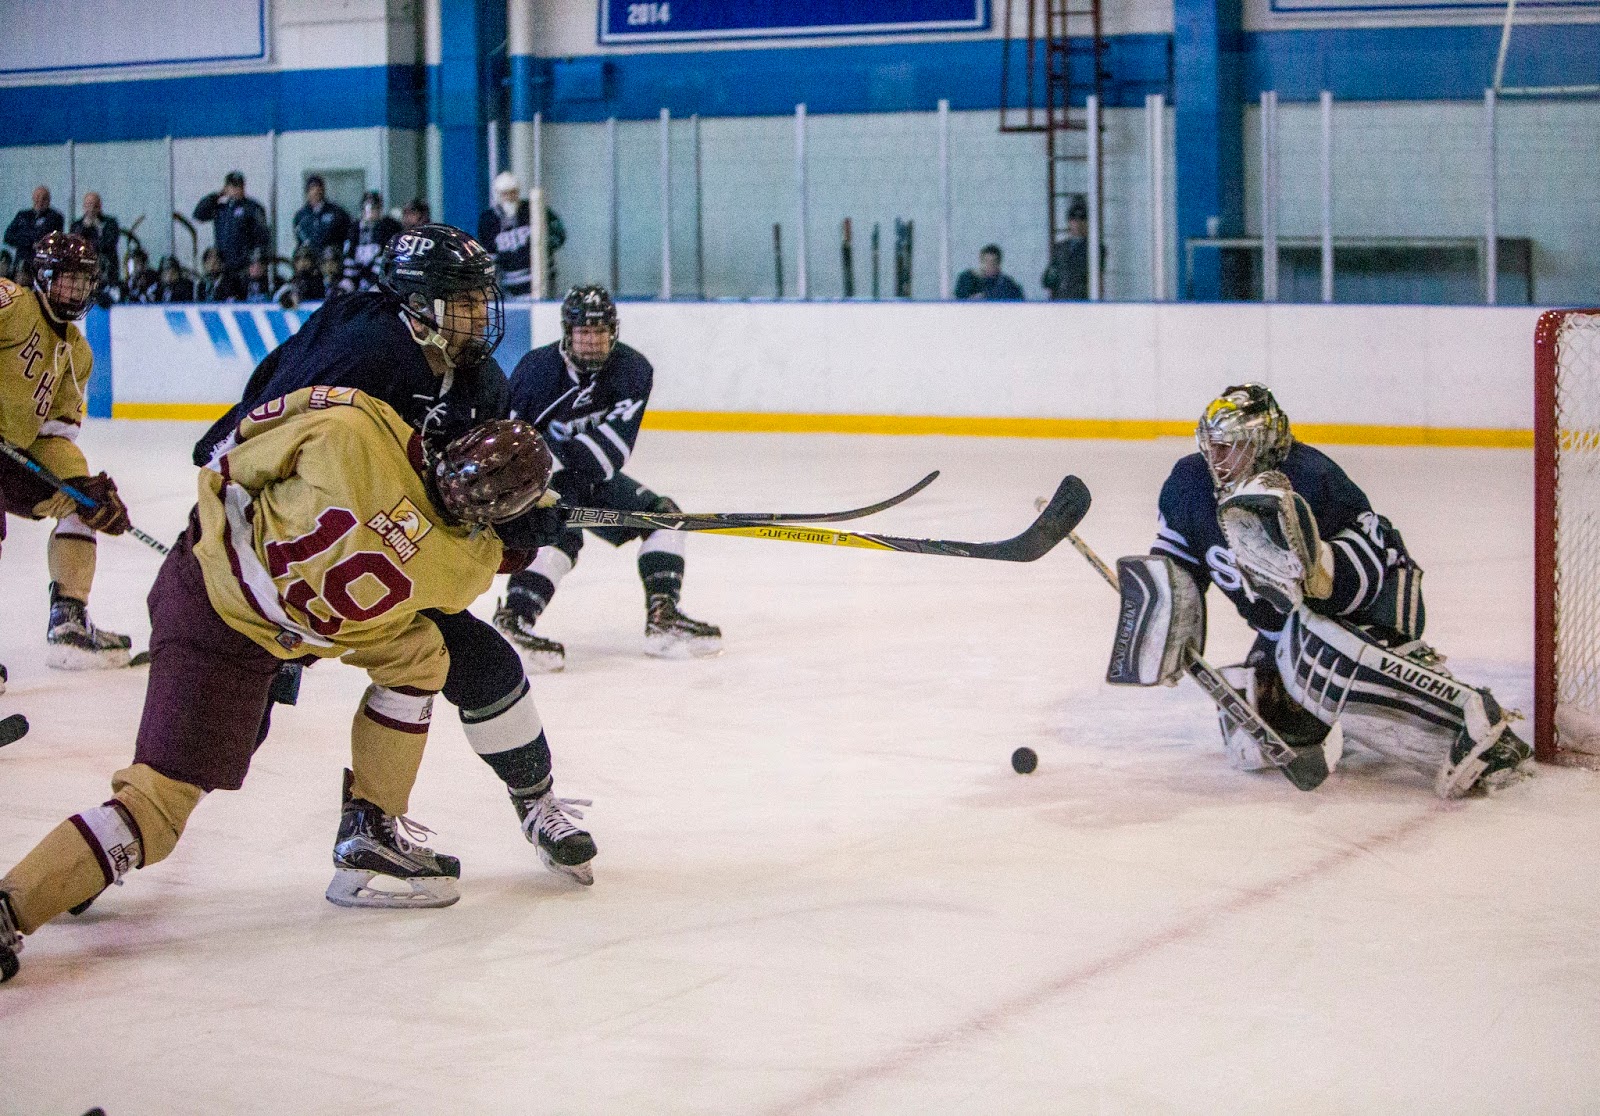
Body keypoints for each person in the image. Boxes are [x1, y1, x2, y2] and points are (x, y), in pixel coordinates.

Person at [0, 388, 563, 983]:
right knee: (156, 811)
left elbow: (230, 457)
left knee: (420, 655)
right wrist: (517, 540)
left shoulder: (352, 427)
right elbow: (468, 553)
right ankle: (19, 901)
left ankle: (371, 825)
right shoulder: (463, 566)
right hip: (220, 631)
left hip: (218, 585)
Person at [191, 224, 596, 895]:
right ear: (419, 303)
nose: (480, 314)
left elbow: (476, 497)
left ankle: (534, 806)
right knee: (221, 735)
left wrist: (521, 517)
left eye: (481, 298)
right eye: (463, 301)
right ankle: (127, 830)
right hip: (289, 559)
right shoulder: (362, 349)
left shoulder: (480, 382)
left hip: (385, 565)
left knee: (487, 664)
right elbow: (245, 442)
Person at [1123, 383, 1530, 796]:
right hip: (1286, 631)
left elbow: (1370, 565)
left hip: (1377, 604)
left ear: (1262, 445)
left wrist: (1318, 570)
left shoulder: (1312, 478)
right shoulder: (1189, 483)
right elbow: (1179, 567)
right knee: (1260, 721)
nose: (1217, 458)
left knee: (1316, 660)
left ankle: (1474, 725)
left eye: (1230, 447)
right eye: (1211, 446)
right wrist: (1165, 612)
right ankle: (1352, 701)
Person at [494, 285, 722, 672]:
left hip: (590, 478)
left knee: (664, 516)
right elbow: (508, 439)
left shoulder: (632, 369)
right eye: (584, 331)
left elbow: (612, 451)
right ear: (567, 331)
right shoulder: (536, 370)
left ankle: (663, 618)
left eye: (599, 331)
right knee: (558, 533)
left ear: (613, 331)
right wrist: (530, 483)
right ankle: (513, 620)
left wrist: (555, 457)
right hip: (540, 484)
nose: (592, 341)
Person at [0, 232, 135, 690]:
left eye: (82, 282)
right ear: (41, 276)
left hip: (8, 452)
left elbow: (53, 434)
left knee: (82, 503)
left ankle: (69, 623)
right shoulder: (13, 304)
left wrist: (79, 484)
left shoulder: (78, 352)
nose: (74, 291)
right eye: (65, 280)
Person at [193, 171, 271, 280]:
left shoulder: (253, 207)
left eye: (239, 186)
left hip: (244, 267)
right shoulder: (221, 208)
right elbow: (199, 215)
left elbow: (263, 237)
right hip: (223, 266)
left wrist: (257, 261)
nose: (237, 189)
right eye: (233, 186)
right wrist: (216, 196)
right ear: (226, 188)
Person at [478, 172, 535, 296]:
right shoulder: (489, 220)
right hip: (509, 285)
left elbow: (558, 235)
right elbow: (489, 256)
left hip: (538, 281)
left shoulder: (532, 210)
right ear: (498, 195)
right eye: (505, 193)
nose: (509, 197)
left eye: (513, 192)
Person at [1042, 196, 1102, 301]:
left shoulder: (1096, 249)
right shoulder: (1060, 248)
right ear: (1069, 222)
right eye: (1074, 219)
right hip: (1061, 301)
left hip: (1082, 302)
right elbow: (1048, 280)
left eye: (1082, 219)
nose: (1078, 224)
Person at [292, 174, 353, 263]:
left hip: (332, 260)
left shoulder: (337, 212)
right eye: (312, 189)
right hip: (310, 261)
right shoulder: (300, 216)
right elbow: (300, 240)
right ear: (307, 192)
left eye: (318, 189)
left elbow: (349, 234)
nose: (315, 192)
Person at [4, 188, 65, 275]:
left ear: (49, 200)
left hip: (42, 266)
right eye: (37, 197)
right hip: (21, 264)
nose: (40, 201)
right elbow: (8, 237)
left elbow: (54, 240)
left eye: (44, 198)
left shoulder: (55, 218)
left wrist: (24, 236)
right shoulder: (22, 215)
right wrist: (30, 243)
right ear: (33, 198)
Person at [349, 190, 402, 288]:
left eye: (375, 208)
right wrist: (350, 279)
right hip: (357, 276)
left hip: (381, 278)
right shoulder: (354, 228)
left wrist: (374, 277)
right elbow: (350, 254)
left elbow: (388, 255)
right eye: (368, 208)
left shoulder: (389, 226)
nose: (371, 212)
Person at [69, 192, 121, 283]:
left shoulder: (110, 223)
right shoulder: (76, 225)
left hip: (106, 268)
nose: (91, 209)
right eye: (88, 205)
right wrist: (84, 228)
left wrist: (98, 229)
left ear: (99, 206)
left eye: (95, 206)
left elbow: (110, 243)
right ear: (84, 206)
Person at [954, 244, 1024, 301]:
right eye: (986, 261)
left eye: (993, 262)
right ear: (981, 262)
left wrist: (986, 297)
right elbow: (958, 302)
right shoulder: (967, 279)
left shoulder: (1007, 285)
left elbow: (1019, 303)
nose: (989, 265)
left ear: (999, 264)